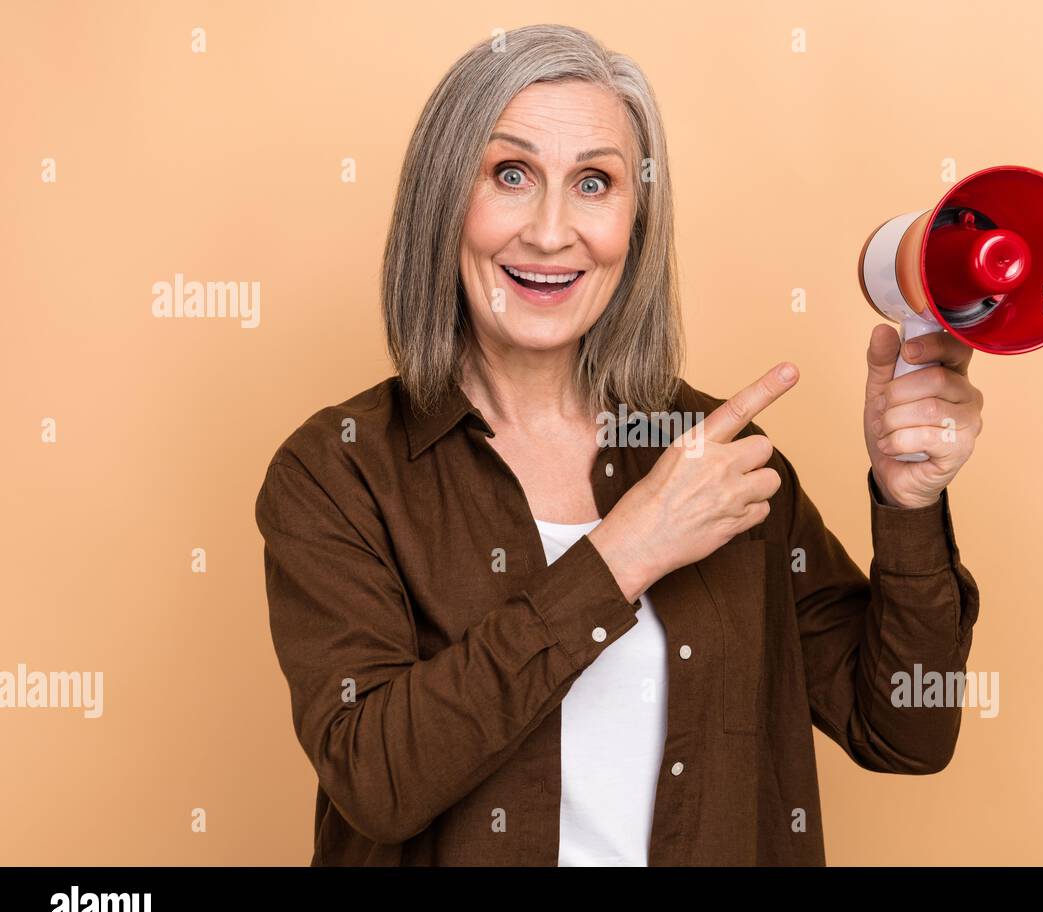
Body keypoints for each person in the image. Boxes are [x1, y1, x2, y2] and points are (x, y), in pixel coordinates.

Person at [254, 23, 982, 866]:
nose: (551, 231)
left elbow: (905, 730)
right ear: (442, 197)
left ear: (635, 224)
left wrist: (908, 503)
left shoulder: (724, 462)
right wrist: (626, 552)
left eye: (595, 182)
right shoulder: (339, 470)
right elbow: (377, 779)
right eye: (511, 174)